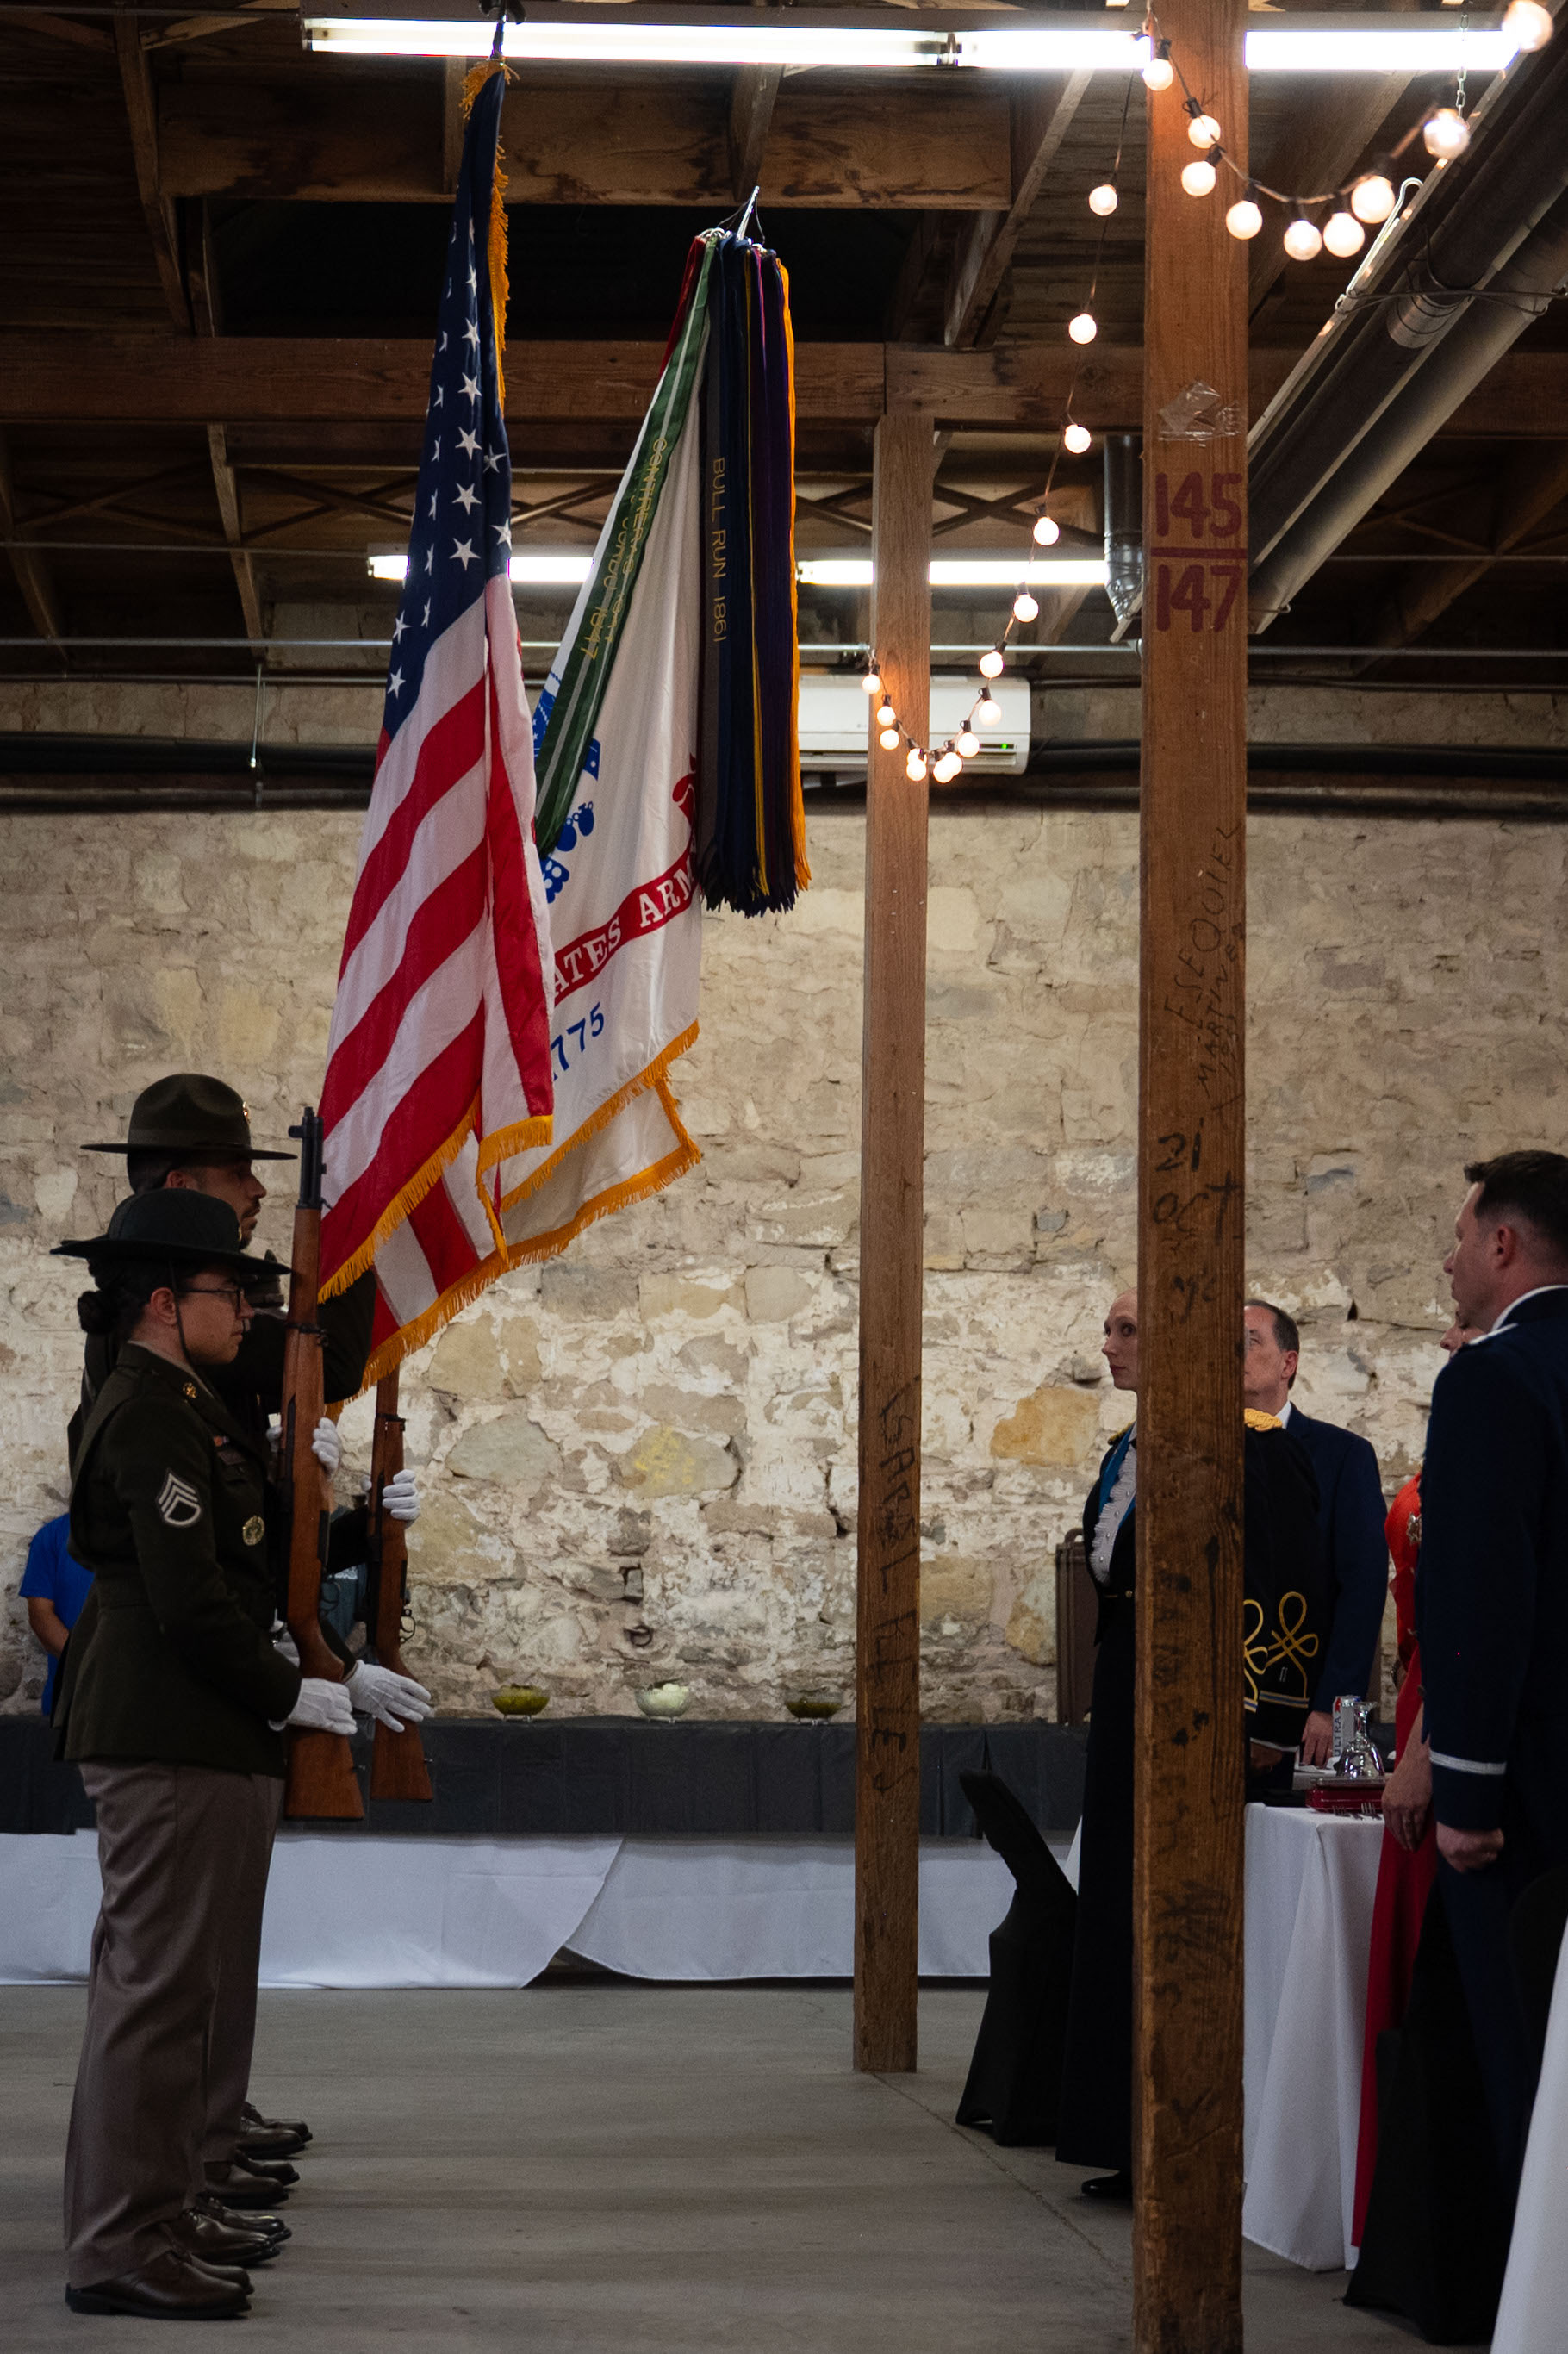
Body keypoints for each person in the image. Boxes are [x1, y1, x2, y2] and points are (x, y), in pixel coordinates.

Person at [50, 1189, 358, 2319]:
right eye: (235, 1291)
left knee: (175, 1995)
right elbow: (188, 1603)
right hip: (166, 1724)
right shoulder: (149, 1412)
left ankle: (163, 2206)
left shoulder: (185, 1402)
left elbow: (244, 1558)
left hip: (193, 1724)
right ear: (172, 1304)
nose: (253, 1310)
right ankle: (117, 2242)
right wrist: (298, 1692)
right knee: (153, 1997)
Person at [1055, 1288, 1330, 2201]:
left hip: (1205, 1707)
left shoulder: (1253, 1445)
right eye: (1108, 1328)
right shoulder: (1125, 1450)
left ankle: (1193, 2129)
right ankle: (1125, 2129)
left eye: (1127, 1329)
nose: (1109, 1344)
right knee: (1120, 1905)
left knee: (1179, 1912)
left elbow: (1287, 1580)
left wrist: (1266, 1718)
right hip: (1129, 1693)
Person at [1417, 1149, 1568, 2190]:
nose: (1450, 1256)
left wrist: (1463, 1790)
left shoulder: (1490, 1377)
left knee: (1529, 2057)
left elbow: (1477, 1597)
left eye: (1462, 1235)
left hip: (1529, 1784)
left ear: (1502, 1244)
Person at [1349, 1317, 1481, 2251]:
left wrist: (1425, 1746)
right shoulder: (1437, 1466)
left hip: (1441, 1713)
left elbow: (1468, 1610)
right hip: (1419, 1702)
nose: (1444, 1333)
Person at [1243, 1300, 1390, 1766]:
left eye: (1248, 1341)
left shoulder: (1343, 1456)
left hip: (1311, 1704)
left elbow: (1363, 1589)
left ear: (1289, 1363)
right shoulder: (1202, 1453)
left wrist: (1336, 1708)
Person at [20, 1511, 93, 1715]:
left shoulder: (143, 1535)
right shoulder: (51, 1537)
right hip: (70, 1699)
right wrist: (91, 1665)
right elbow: (40, 1616)